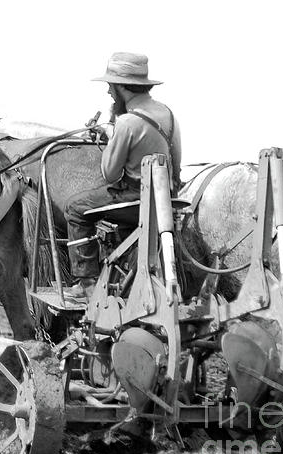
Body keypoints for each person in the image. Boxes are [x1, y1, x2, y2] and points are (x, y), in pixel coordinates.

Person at [65, 52, 182, 301]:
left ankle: (86, 285)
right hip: (167, 201)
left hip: (136, 200)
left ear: (121, 88)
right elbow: (177, 164)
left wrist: (111, 132)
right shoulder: (169, 115)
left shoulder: (127, 122)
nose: (108, 92)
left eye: (110, 86)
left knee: (75, 209)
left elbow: (109, 173)